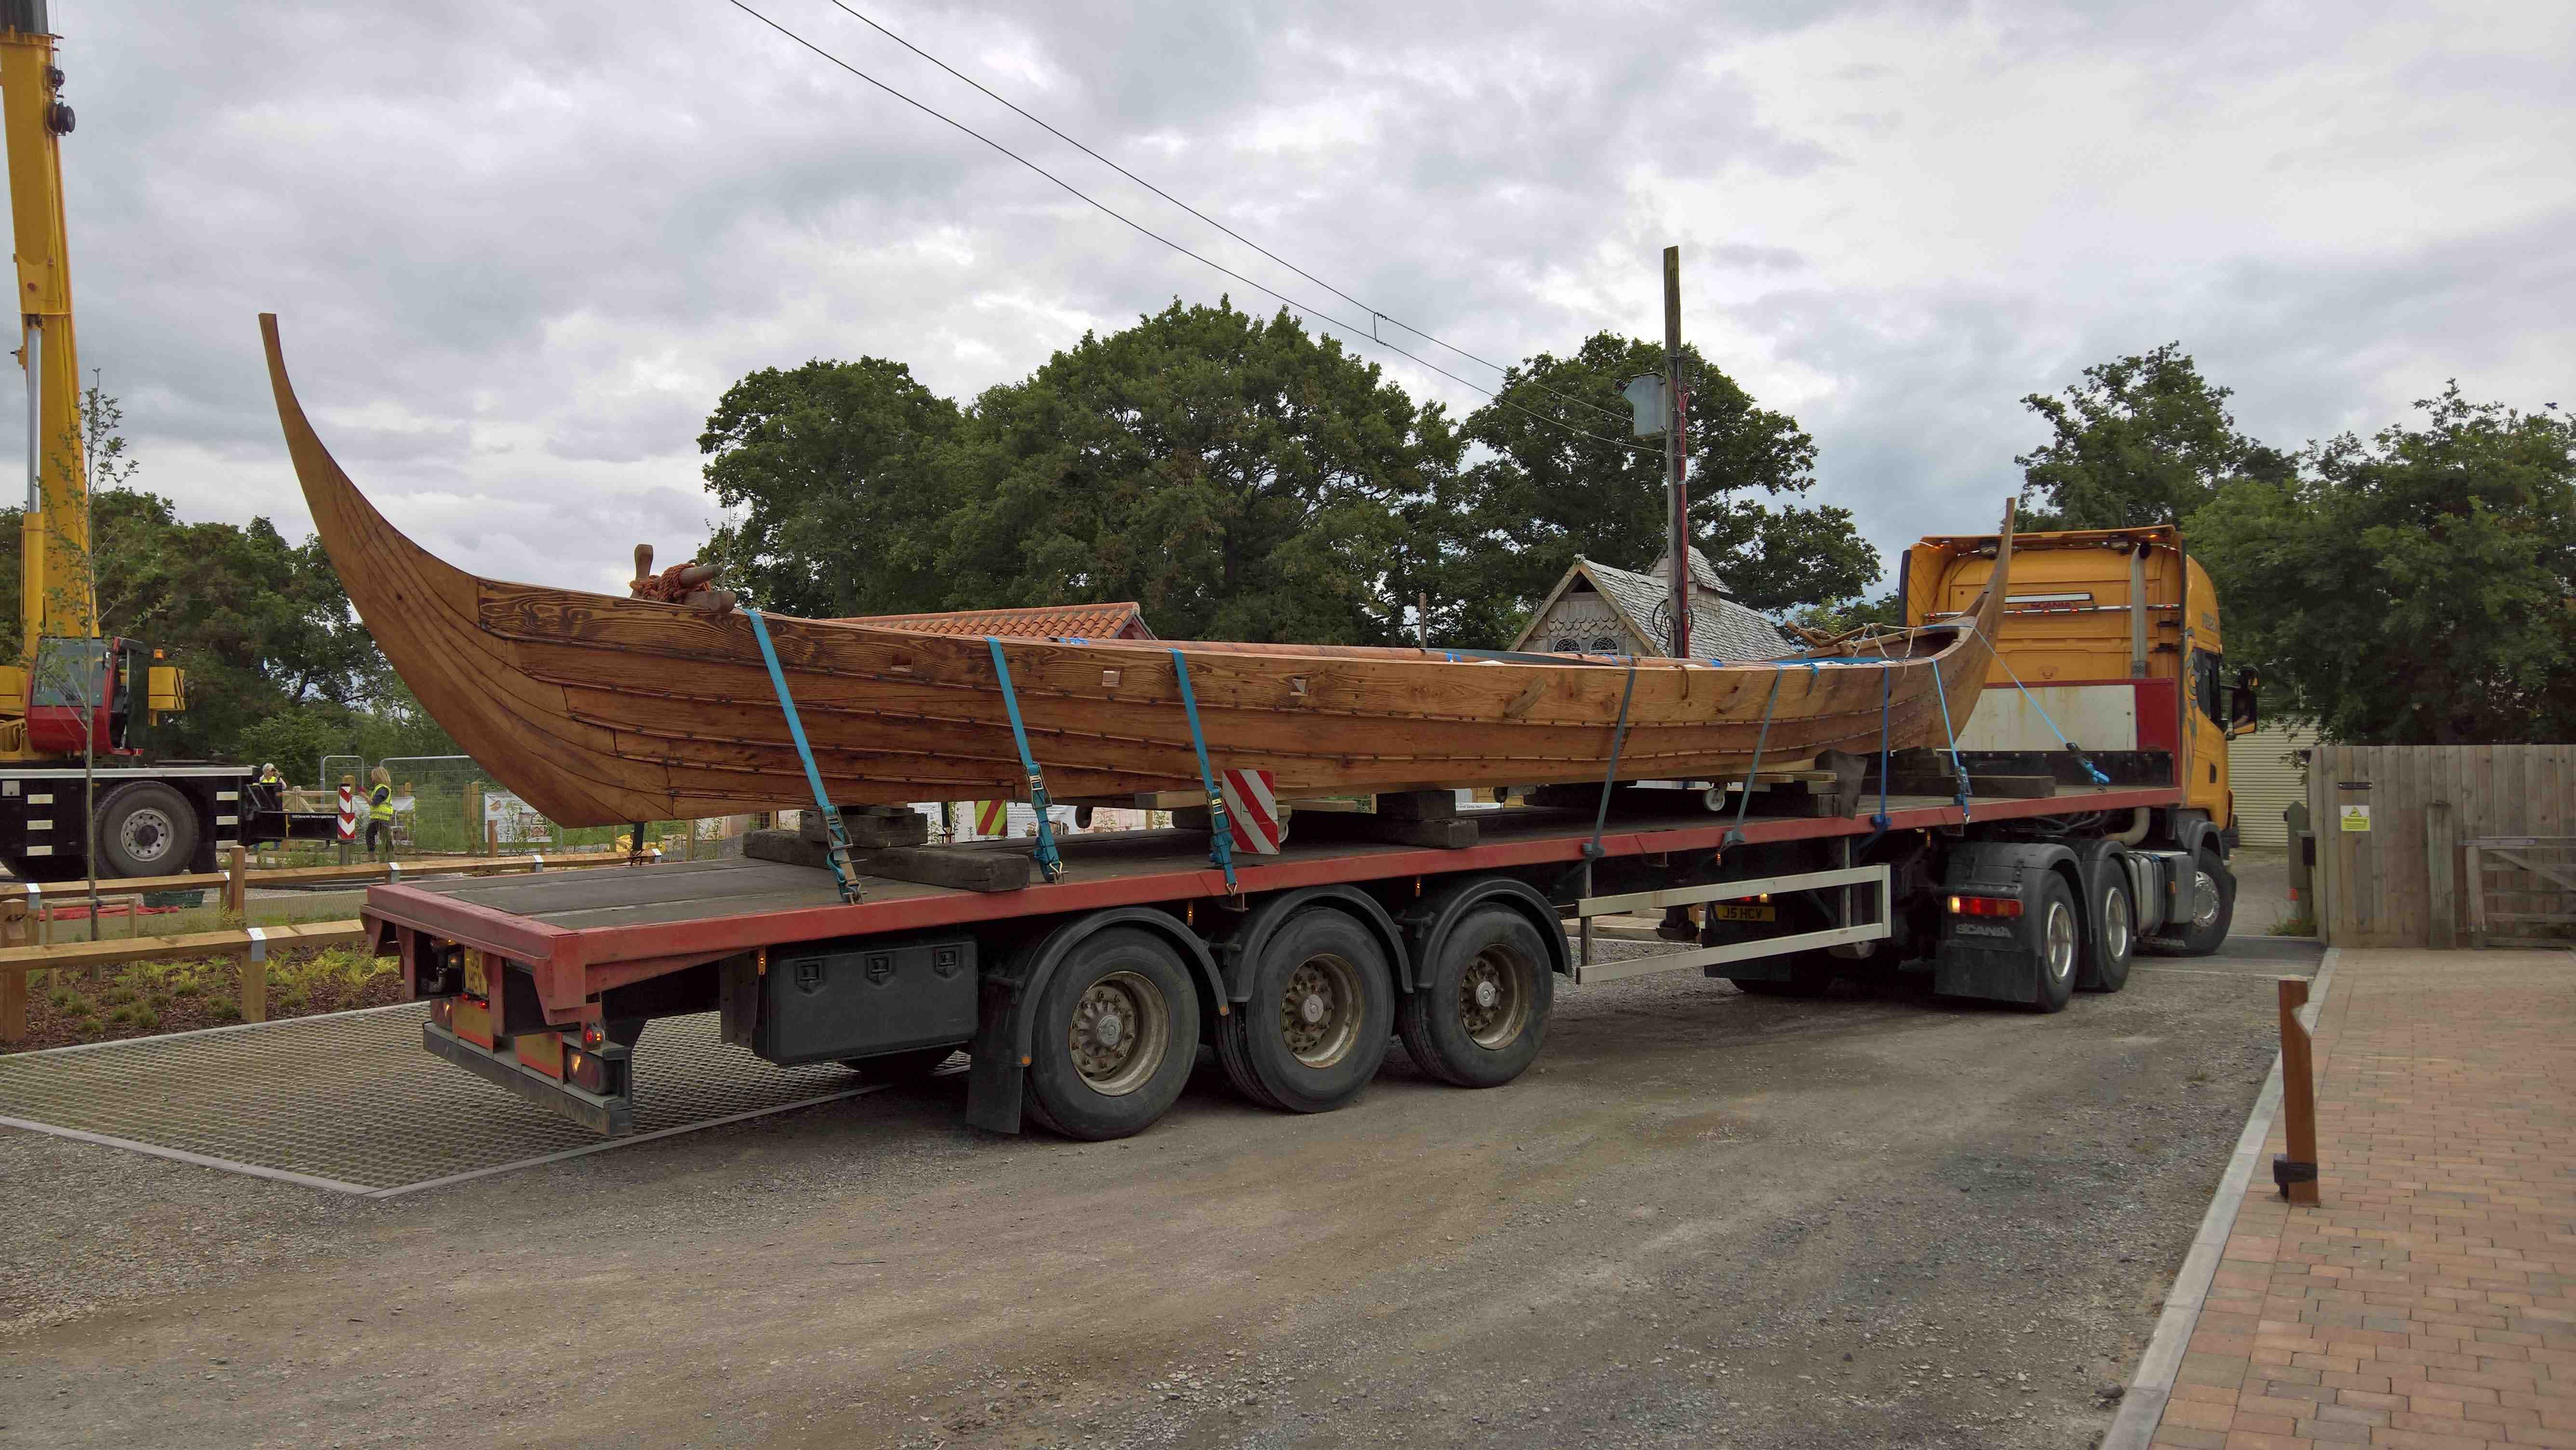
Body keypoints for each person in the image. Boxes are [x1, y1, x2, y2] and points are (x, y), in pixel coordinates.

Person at [366, 765, 395, 860]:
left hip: (380, 818)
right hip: (380, 818)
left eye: (373, 775)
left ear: (378, 776)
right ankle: (390, 857)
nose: (371, 777)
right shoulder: (382, 788)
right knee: (384, 837)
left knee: (371, 835)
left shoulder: (382, 789)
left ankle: (372, 857)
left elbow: (375, 803)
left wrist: (365, 797)